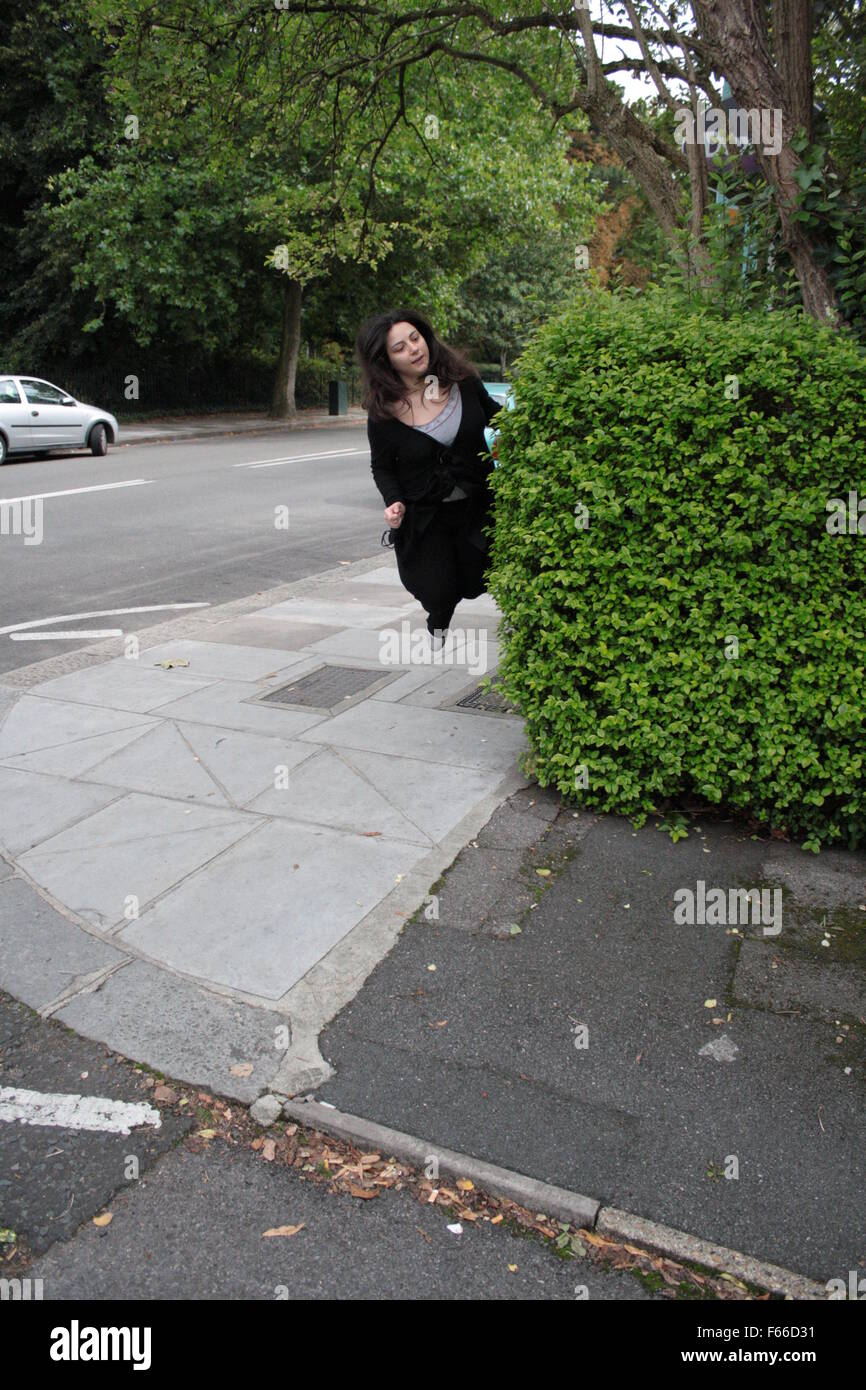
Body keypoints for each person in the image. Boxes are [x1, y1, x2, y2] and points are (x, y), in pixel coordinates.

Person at [355, 308, 502, 641]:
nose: (413, 349)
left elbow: (498, 419)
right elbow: (382, 465)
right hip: (426, 516)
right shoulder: (384, 412)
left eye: (415, 338)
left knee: (476, 578)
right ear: (385, 360)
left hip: (475, 504)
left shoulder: (463, 382)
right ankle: (439, 612)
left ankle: (450, 599)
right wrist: (393, 501)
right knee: (437, 590)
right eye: (400, 348)